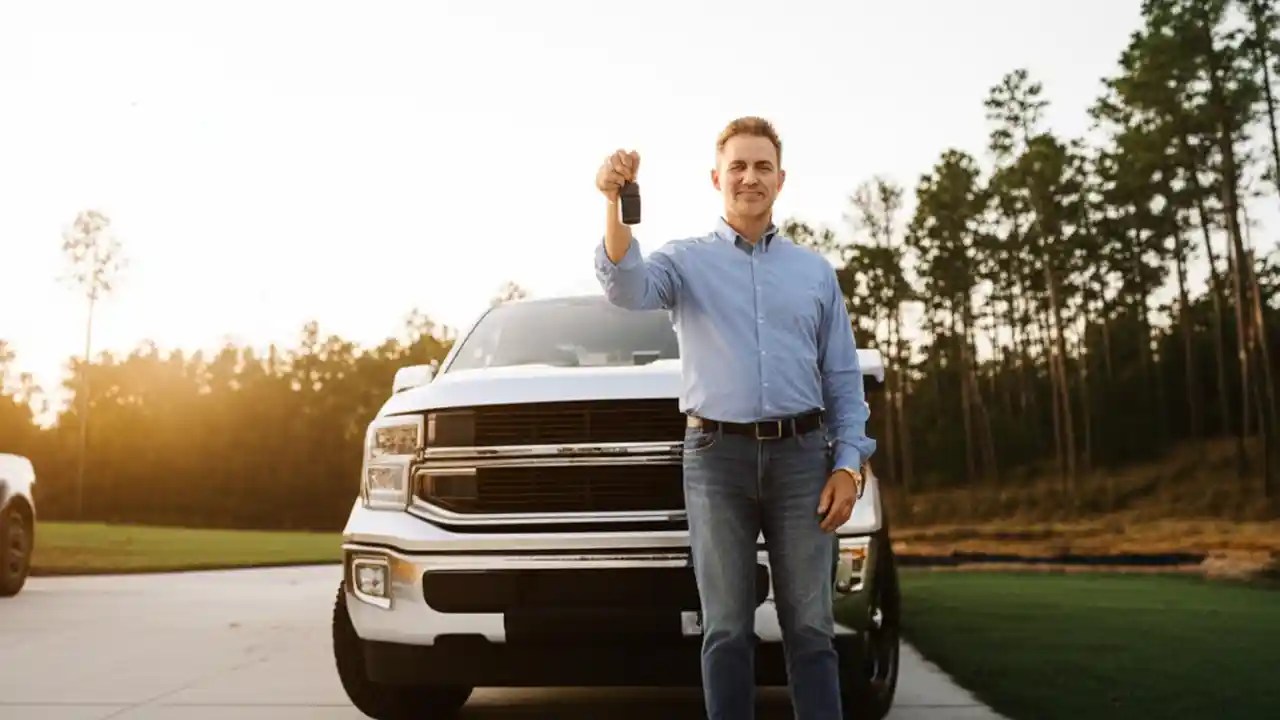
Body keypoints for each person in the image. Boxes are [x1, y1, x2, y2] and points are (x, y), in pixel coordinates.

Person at [591, 116, 877, 720]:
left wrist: (848, 467)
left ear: (780, 180)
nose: (750, 177)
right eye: (739, 166)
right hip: (714, 461)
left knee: (811, 629)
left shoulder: (815, 274)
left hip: (804, 458)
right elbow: (624, 286)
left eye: (763, 166)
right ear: (717, 177)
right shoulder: (685, 263)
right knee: (725, 629)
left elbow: (843, 381)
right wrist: (616, 204)